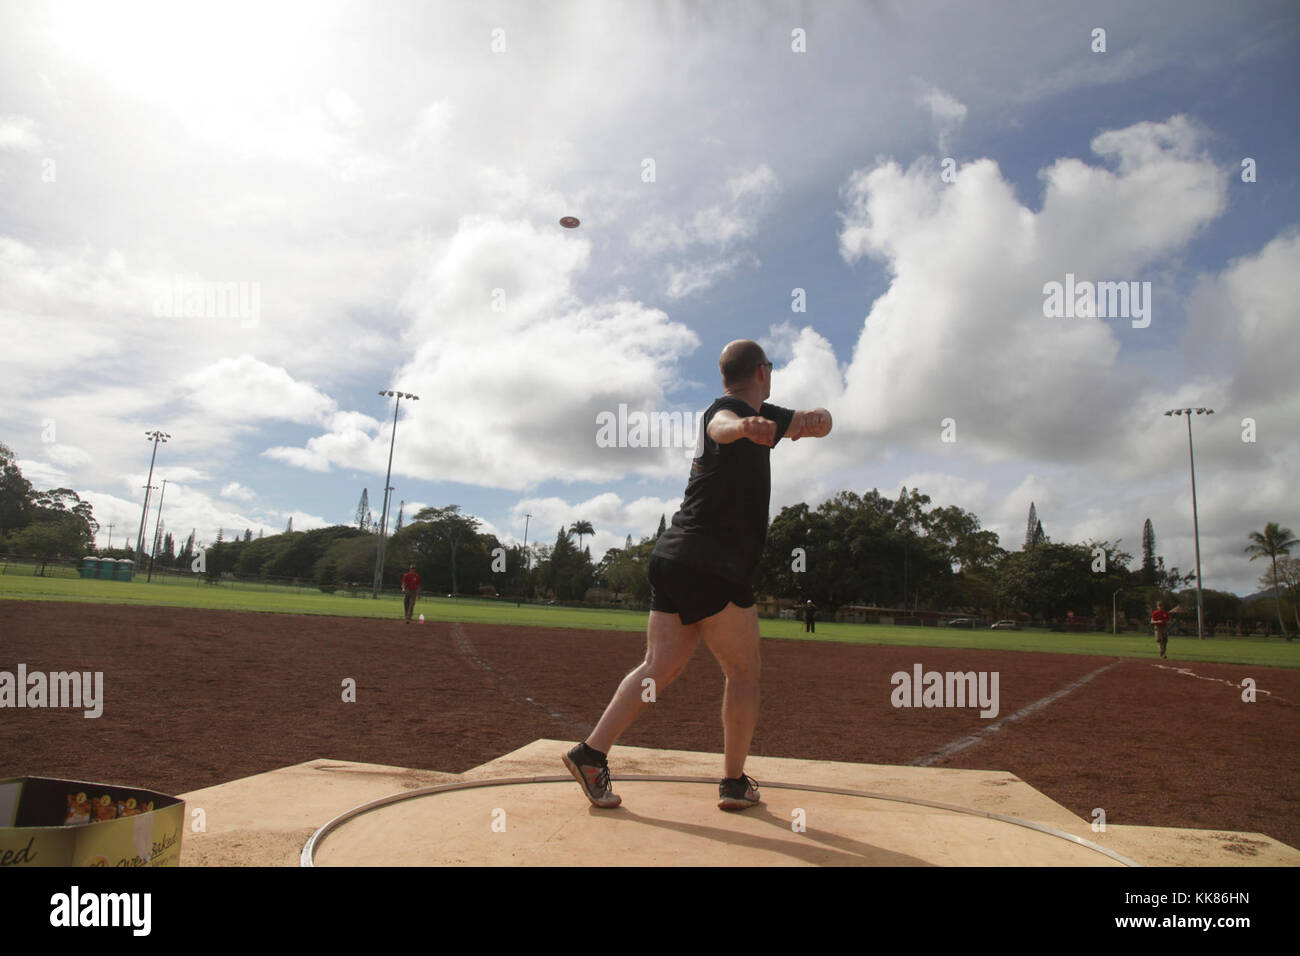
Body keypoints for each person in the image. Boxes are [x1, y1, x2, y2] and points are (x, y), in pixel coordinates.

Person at [563, 339, 832, 811]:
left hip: (674, 558)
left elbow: (818, 422)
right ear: (764, 371)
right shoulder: (726, 412)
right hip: (715, 563)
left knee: (658, 667)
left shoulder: (768, 415)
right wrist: (745, 426)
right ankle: (733, 783)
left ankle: (591, 753)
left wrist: (815, 420)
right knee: (743, 670)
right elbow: (722, 427)